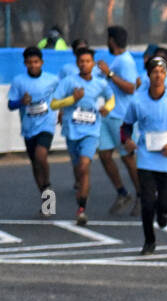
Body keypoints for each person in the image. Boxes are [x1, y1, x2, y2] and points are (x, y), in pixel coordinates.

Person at [120, 55, 167, 255]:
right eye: (155, 72)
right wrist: (127, 140)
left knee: (166, 205)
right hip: (146, 158)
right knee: (147, 203)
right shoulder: (137, 100)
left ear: (166, 75)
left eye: (162, 72)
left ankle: (163, 213)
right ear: (148, 75)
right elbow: (126, 126)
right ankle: (149, 241)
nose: (158, 76)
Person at [51, 47, 116, 226]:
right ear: (77, 63)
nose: (84, 64)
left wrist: (107, 108)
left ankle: (81, 209)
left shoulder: (100, 83)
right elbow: (54, 104)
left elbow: (111, 98)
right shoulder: (68, 82)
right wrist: (72, 99)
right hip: (72, 131)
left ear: (93, 63)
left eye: (88, 61)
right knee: (78, 170)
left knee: (84, 165)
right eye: (81, 61)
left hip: (91, 131)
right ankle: (82, 189)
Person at [8, 47, 60, 217]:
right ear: (25, 64)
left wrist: (62, 111)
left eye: (36, 62)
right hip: (29, 128)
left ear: (42, 63)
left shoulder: (52, 80)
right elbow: (10, 105)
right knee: (35, 165)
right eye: (29, 62)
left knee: (41, 156)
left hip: (46, 124)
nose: (33, 65)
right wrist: (21, 101)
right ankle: (47, 198)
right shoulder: (19, 81)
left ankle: (49, 185)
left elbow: (61, 95)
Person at [96, 26, 140, 216]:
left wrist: (110, 74)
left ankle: (142, 195)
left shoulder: (126, 61)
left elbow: (130, 88)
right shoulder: (118, 60)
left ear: (112, 40)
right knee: (105, 155)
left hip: (121, 117)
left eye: (108, 39)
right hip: (109, 115)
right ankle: (122, 192)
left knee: (128, 158)